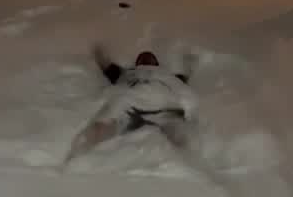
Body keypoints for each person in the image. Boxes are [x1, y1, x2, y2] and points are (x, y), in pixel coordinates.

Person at [64, 45, 198, 163]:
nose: (146, 59)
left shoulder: (167, 75)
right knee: (102, 124)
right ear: (137, 64)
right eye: (142, 58)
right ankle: (74, 158)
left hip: (162, 101)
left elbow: (185, 78)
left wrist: (190, 61)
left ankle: (192, 163)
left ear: (156, 64)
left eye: (149, 58)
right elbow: (106, 66)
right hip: (131, 100)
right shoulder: (128, 73)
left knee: (179, 135)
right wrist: (98, 52)